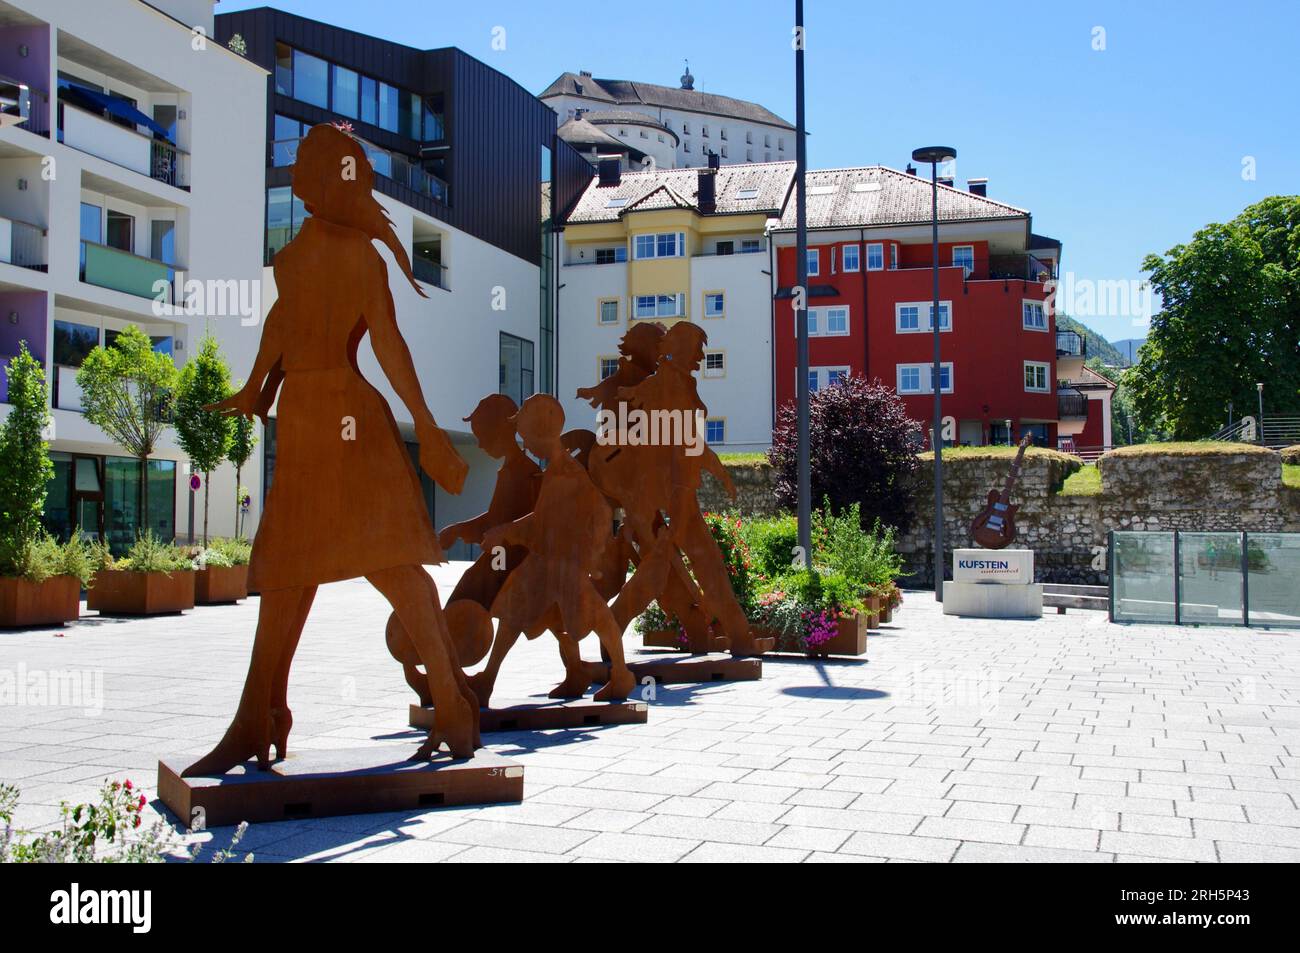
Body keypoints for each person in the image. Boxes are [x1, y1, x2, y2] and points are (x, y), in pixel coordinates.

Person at [185, 124, 477, 776]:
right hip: (309, 418)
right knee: (290, 568)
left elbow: (387, 344)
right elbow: (284, 326)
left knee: (391, 562)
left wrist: (427, 424)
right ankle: (260, 714)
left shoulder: (358, 258)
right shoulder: (293, 260)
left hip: (346, 415)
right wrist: (256, 387)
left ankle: (451, 701)